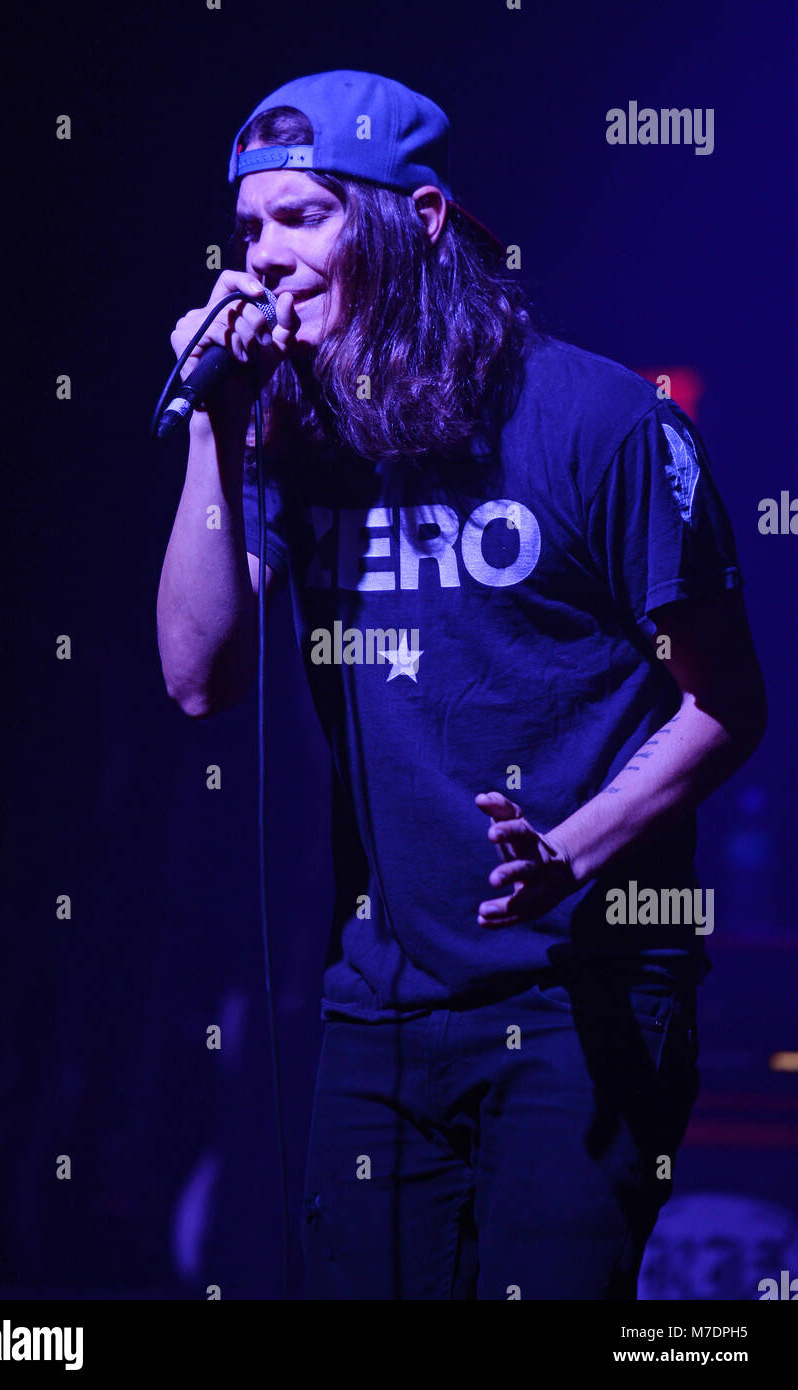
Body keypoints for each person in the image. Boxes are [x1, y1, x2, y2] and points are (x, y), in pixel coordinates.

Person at [156, 70, 766, 1300]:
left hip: (580, 994)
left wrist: (570, 851)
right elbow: (195, 676)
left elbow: (726, 703)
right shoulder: (290, 430)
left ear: (420, 219)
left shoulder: (599, 421)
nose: (261, 258)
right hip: (375, 1006)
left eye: (302, 218)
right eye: (248, 230)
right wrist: (215, 429)